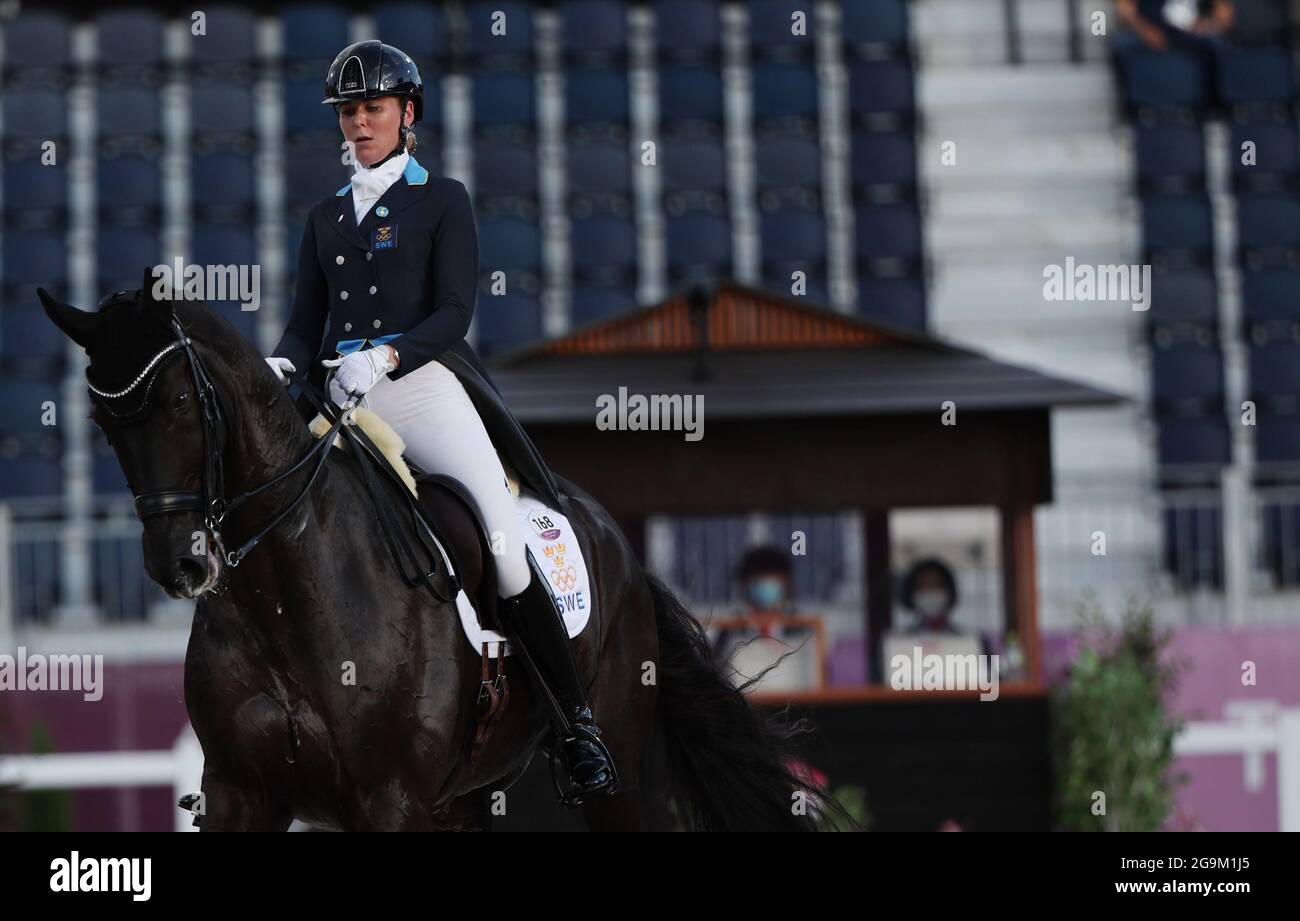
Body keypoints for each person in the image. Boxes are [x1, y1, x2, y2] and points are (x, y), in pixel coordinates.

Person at [263, 40, 615, 802]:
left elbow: (454, 312)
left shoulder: (441, 199)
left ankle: (576, 723)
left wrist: (383, 358)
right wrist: (284, 367)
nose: (359, 124)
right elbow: (303, 323)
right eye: (349, 112)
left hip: (420, 388)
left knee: (502, 538)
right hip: (339, 399)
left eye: (374, 110)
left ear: (407, 114)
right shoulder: (324, 218)